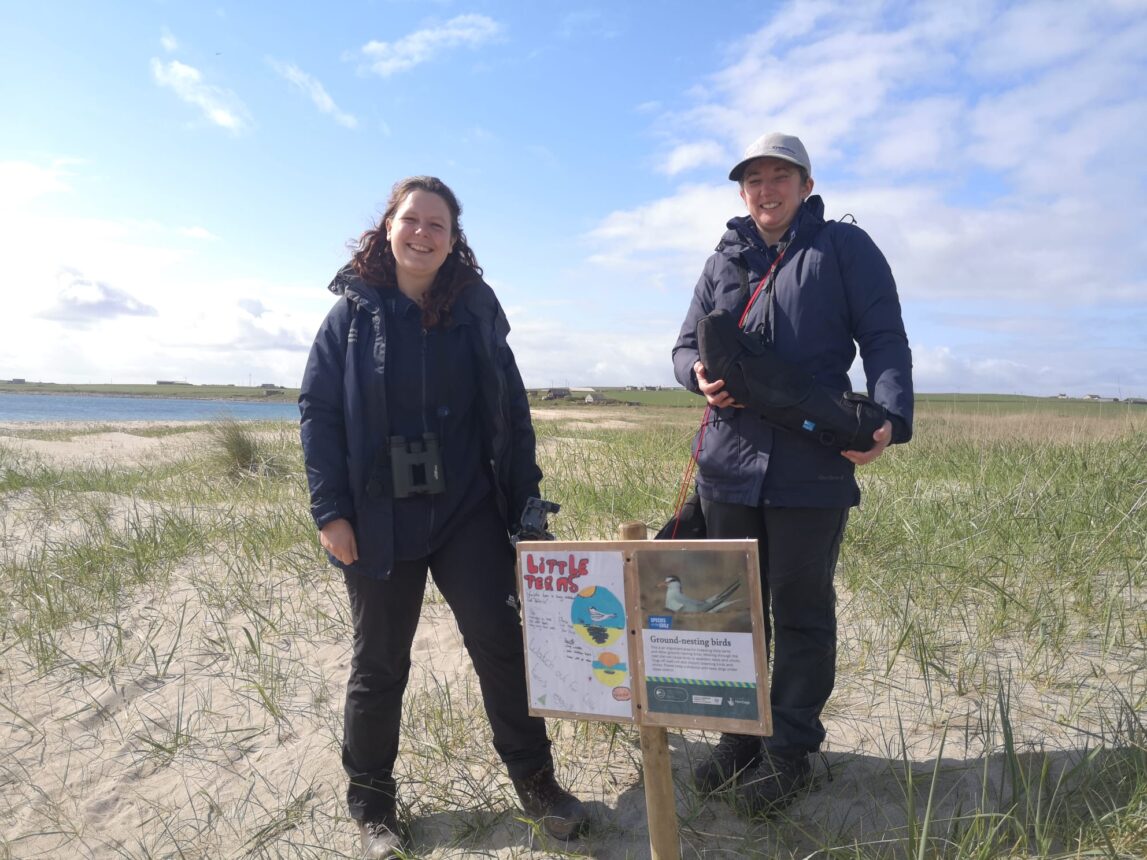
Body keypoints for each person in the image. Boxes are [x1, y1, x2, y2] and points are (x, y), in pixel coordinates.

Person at [299, 176, 588, 858]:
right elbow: (318, 413)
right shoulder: (350, 314)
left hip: (466, 513)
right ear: (388, 228)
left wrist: (525, 508)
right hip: (376, 518)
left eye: (437, 224)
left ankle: (536, 781)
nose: (422, 233)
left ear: (454, 239)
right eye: (411, 220)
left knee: (500, 645)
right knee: (379, 664)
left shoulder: (476, 313)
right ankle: (372, 804)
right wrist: (330, 511)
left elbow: (510, 417)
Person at [672, 133, 914, 816]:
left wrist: (890, 417)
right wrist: (694, 375)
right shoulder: (723, 259)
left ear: (805, 185)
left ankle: (789, 752)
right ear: (741, 192)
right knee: (726, 615)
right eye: (753, 179)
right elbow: (684, 344)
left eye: (780, 176)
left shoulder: (842, 249)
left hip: (810, 464)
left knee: (800, 612)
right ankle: (738, 739)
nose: (766, 189)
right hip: (725, 465)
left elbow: (885, 337)